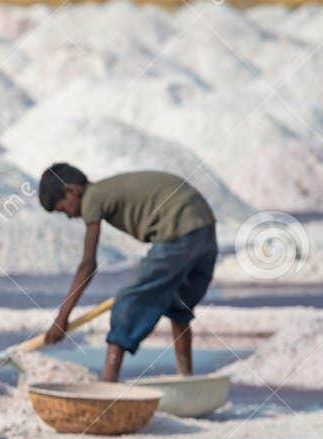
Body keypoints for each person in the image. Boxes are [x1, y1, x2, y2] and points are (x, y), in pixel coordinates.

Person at [38, 164, 219, 382]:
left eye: (63, 208)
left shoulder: (91, 197)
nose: (68, 215)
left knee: (127, 301)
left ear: (72, 191)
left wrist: (61, 319)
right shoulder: (104, 191)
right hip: (204, 228)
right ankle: (186, 378)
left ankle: (108, 381)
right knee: (178, 306)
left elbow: (87, 265)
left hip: (177, 229)